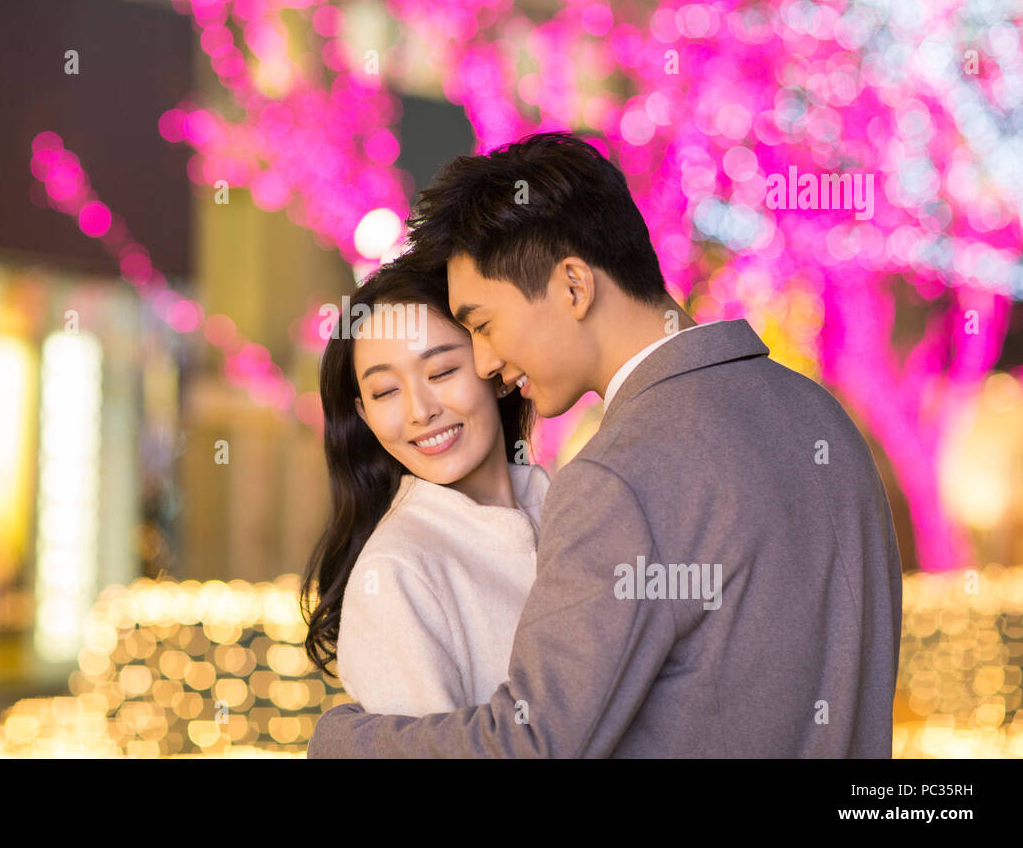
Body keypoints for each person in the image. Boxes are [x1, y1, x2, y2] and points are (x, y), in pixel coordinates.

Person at [307, 131, 904, 757]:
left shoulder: (616, 478)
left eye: (482, 325)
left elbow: (534, 744)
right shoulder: (820, 419)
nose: (485, 361)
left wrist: (347, 742)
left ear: (573, 286)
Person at [301, 253, 551, 716]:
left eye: (441, 372)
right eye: (385, 392)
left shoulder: (565, 507)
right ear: (364, 416)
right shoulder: (397, 572)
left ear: (494, 368)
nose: (420, 410)